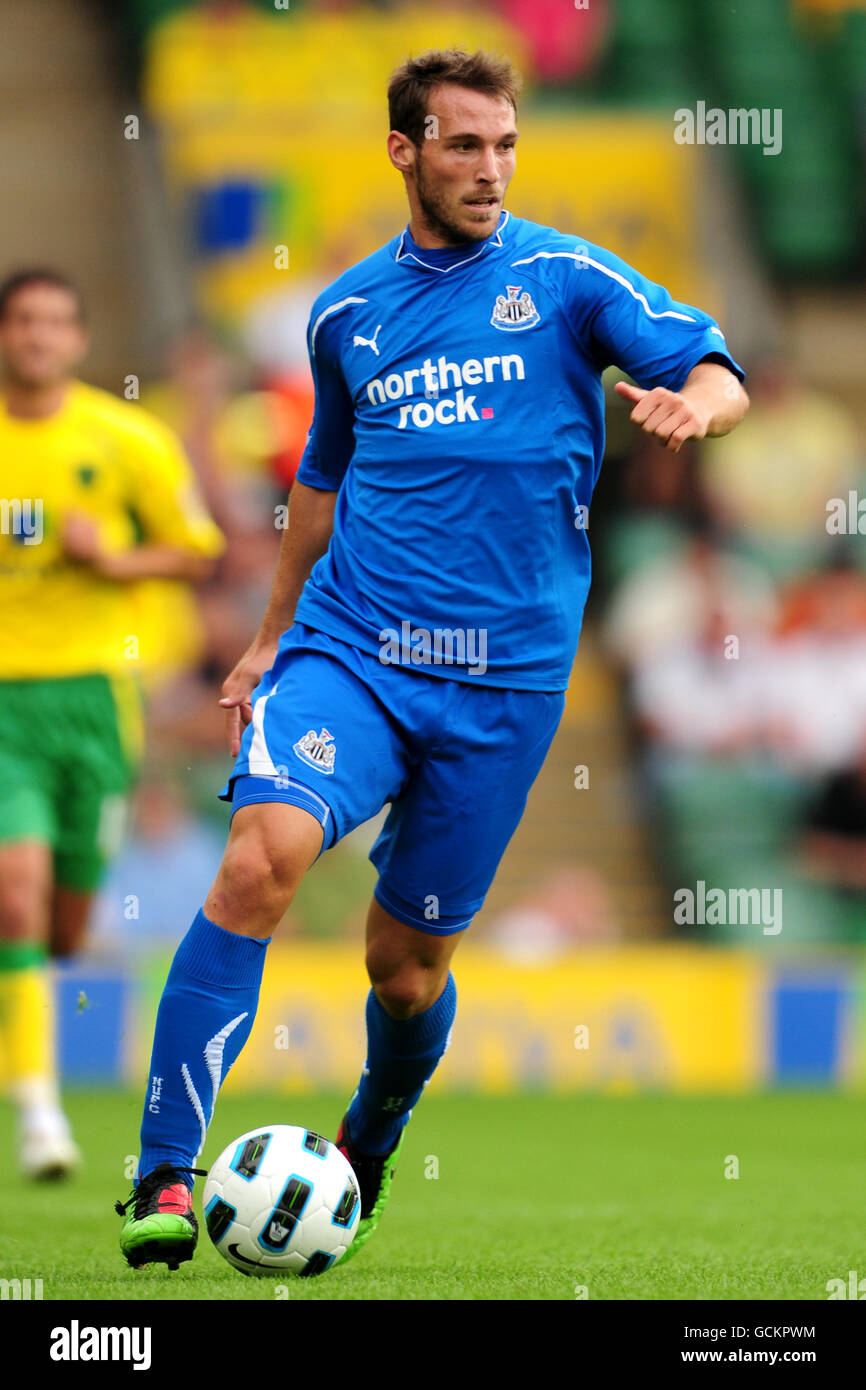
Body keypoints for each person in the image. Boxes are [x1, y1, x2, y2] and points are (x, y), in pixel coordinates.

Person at [115, 48, 748, 1272]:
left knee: (403, 973)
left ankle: (369, 1140)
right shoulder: (347, 312)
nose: (490, 169)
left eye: (504, 143)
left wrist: (697, 407)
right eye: (463, 144)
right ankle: (162, 1178)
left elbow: (710, 366)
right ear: (403, 150)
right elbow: (318, 485)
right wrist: (267, 635)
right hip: (353, 650)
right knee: (263, 855)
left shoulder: (564, 279)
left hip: (501, 686)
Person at [0, 268, 224, 1178]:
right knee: (16, 891)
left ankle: (28, 1010)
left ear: (80, 340)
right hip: (6, 695)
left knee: (59, 922)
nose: (39, 336)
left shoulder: (126, 437)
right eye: (22, 321)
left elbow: (199, 551)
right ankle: (40, 1116)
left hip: (96, 701)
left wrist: (118, 557)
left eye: (56, 321)